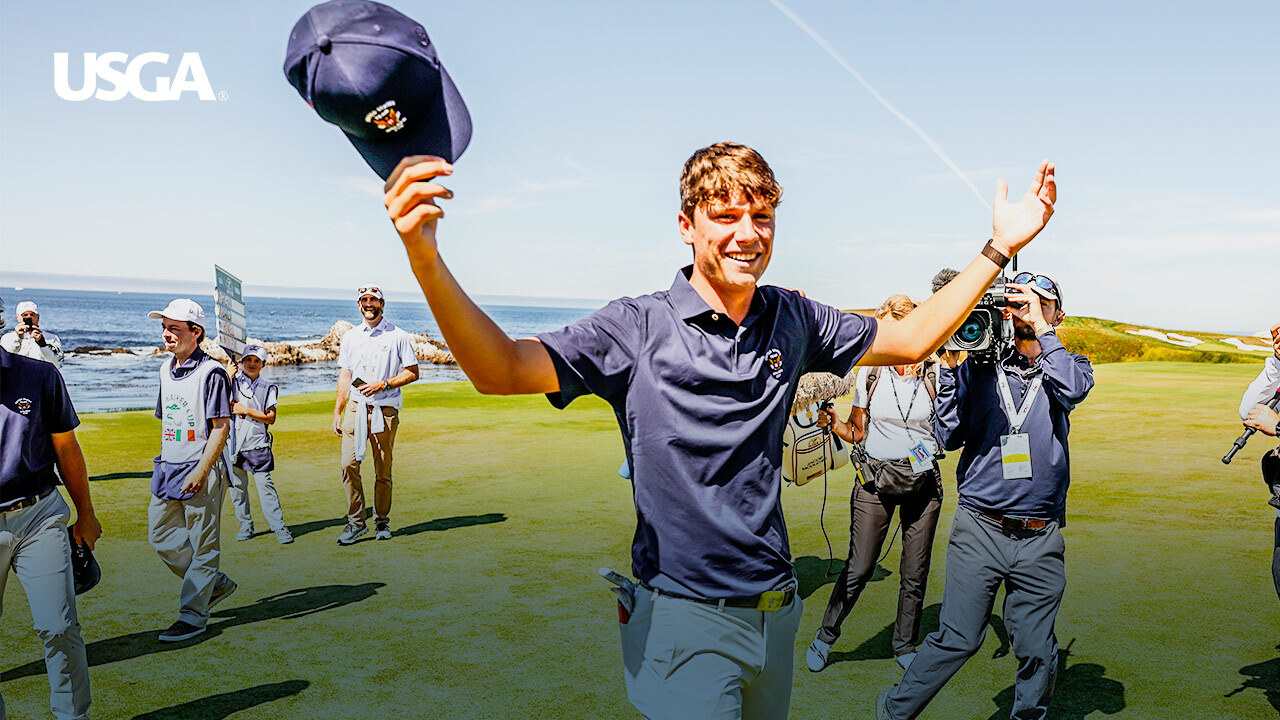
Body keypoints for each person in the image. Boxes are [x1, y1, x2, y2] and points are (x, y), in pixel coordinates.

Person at [383, 141, 1056, 718]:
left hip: (776, 609)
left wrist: (998, 248)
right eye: (726, 215)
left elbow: (910, 338)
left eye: (761, 217)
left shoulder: (791, 317)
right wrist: (425, 259)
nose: (747, 233)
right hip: (683, 616)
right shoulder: (637, 326)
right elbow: (502, 368)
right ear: (686, 224)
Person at [878, 271, 1094, 720]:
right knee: (958, 639)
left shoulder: (1071, 365)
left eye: (1040, 303)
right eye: (1018, 304)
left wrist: (1041, 330)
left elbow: (1072, 390)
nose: (1026, 311)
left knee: (1036, 647)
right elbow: (948, 435)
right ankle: (895, 712)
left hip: (1039, 535)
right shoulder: (980, 366)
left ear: (1059, 315)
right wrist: (950, 370)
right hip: (980, 526)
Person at [806, 294, 943, 674]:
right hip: (875, 483)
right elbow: (857, 432)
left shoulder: (936, 372)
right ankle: (825, 637)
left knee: (915, 572)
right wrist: (834, 423)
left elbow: (950, 426)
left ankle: (904, 644)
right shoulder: (871, 373)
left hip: (923, 483)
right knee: (860, 566)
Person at [0, 296, 101, 720]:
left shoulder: (41, 375)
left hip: (39, 514)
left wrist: (87, 514)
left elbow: (67, 448)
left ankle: (72, 716)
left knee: (59, 626)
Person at [147, 298, 238, 642]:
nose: (166, 334)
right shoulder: (164, 369)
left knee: (203, 546)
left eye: (174, 328)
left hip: (201, 468)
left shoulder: (212, 373)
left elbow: (220, 426)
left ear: (195, 332)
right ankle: (213, 584)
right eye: (164, 327)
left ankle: (193, 616)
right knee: (160, 537)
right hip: (168, 466)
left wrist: (201, 471)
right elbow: (168, 419)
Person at [332, 286, 420, 545]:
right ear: (359, 305)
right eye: (364, 300)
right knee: (348, 465)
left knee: (383, 470)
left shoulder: (398, 336)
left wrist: (384, 384)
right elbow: (345, 375)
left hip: (385, 410)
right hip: (355, 409)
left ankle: (382, 521)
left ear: (382, 304)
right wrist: (338, 410)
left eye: (373, 300)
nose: (369, 304)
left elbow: (413, 372)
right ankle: (356, 523)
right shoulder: (351, 337)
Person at [228, 344, 293, 544]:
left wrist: (245, 410)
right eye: (248, 359)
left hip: (258, 445)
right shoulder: (232, 381)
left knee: (266, 488)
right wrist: (228, 375)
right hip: (233, 445)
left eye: (256, 361)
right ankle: (245, 526)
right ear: (241, 362)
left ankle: (279, 527)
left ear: (263, 364)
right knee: (237, 490)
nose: (252, 363)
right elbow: (218, 400)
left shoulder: (269, 387)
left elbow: (270, 418)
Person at [0, 301, 66, 368]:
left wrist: (42, 344)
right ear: (18, 318)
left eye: (32, 315)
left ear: (38, 317)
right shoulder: (7, 338)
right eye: (25, 315)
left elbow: (57, 364)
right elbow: (5, 361)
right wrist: (18, 338)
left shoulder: (52, 338)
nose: (29, 317)